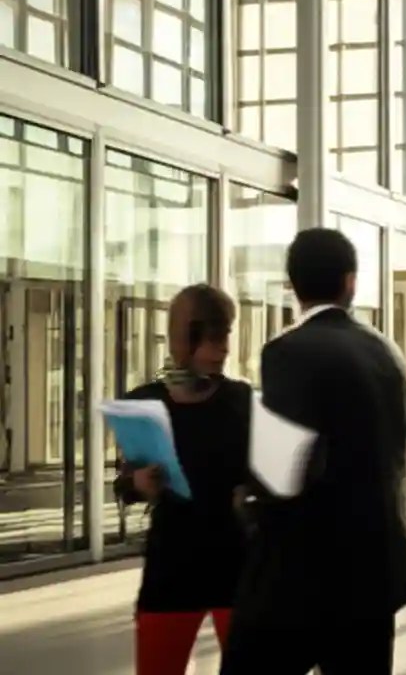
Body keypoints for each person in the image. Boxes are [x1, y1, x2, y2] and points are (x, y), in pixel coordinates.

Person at [220, 228, 406, 675]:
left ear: (292, 286)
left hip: (306, 572)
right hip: (377, 566)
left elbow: (281, 471)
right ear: (351, 282)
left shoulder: (288, 351)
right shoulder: (389, 353)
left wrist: (244, 501)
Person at [115, 285, 251, 675]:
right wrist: (138, 483)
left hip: (236, 563)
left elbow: (269, 476)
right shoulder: (144, 403)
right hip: (171, 565)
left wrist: (252, 492)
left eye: (227, 336)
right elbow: (123, 484)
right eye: (215, 338)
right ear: (184, 339)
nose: (224, 348)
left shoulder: (240, 400)